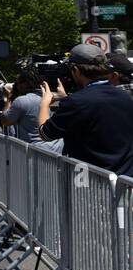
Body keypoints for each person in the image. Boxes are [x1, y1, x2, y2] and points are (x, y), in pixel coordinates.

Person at [38, 44, 133, 176]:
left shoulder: (77, 102)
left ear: (76, 70)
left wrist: (44, 103)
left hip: (88, 183)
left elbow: (45, 133)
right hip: (123, 181)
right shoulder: (125, 97)